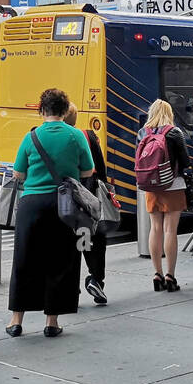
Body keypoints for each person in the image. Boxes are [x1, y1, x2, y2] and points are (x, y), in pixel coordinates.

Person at [6, 88, 95, 338]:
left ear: (41, 110)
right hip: (63, 205)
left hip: (32, 204)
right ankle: (52, 321)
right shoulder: (76, 136)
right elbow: (88, 172)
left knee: (24, 260)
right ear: (65, 110)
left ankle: (16, 321)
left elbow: (18, 174)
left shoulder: (30, 137)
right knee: (60, 259)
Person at [136, 99, 193, 292]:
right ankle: (170, 275)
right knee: (170, 230)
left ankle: (156, 274)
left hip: (151, 186)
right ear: (169, 113)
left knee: (155, 228)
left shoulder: (143, 132)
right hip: (173, 184)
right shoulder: (174, 132)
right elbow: (185, 161)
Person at [63, 102, 111, 306]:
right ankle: (95, 279)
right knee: (90, 240)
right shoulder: (88, 136)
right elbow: (100, 170)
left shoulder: (52, 139)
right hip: (87, 200)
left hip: (64, 202)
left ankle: (71, 287)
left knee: (68, 244)